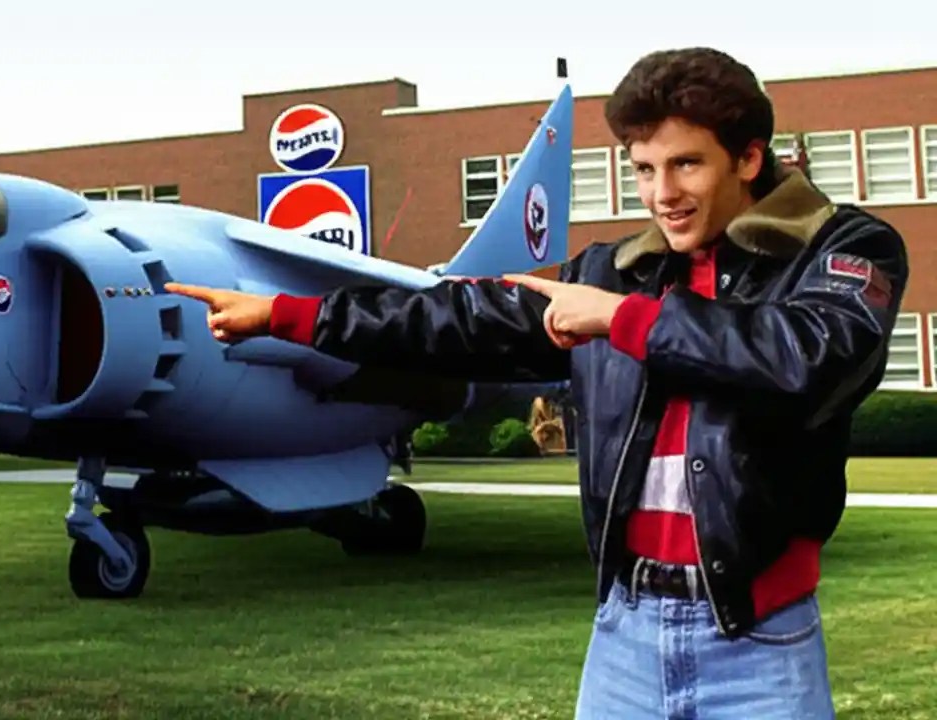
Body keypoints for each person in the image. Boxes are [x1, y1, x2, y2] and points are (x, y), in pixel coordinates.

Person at [166, 47, 908, 717]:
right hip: (624, 638)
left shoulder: (843, 249)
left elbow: (810, 356)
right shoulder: (612, 273)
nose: (661, 194)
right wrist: (289, 314)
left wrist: (621, 319)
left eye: (686, 165)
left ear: (748, 158)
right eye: (643, 169)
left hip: (760, 649)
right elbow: (457, 317)